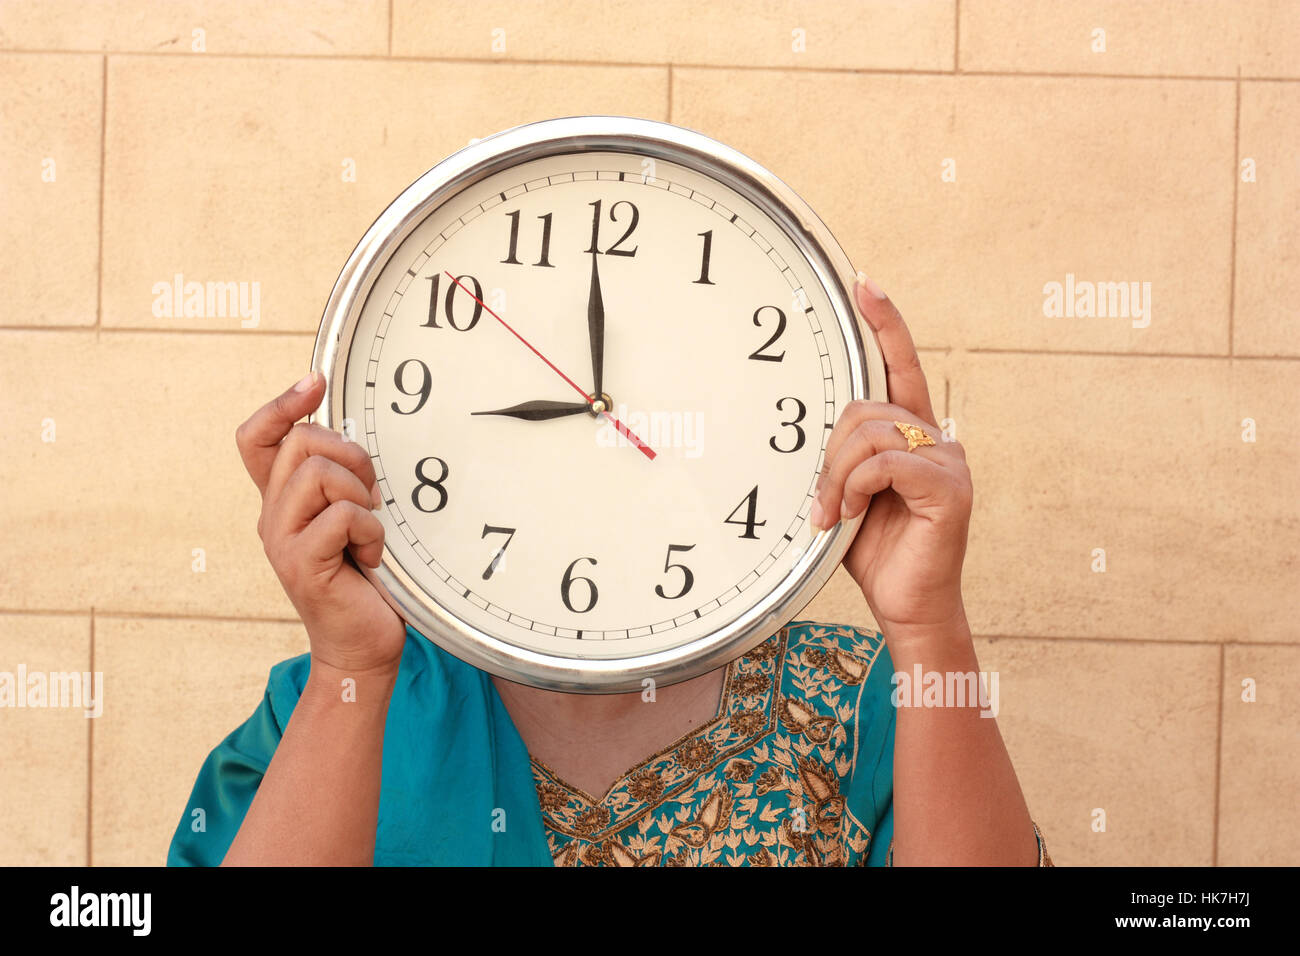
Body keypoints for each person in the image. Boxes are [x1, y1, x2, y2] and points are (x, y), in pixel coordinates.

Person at [168, 275, 1051, 866]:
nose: (607, 433)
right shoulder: (324, 707)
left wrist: (929, 624)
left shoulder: (860, 704)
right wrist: (350, 668)